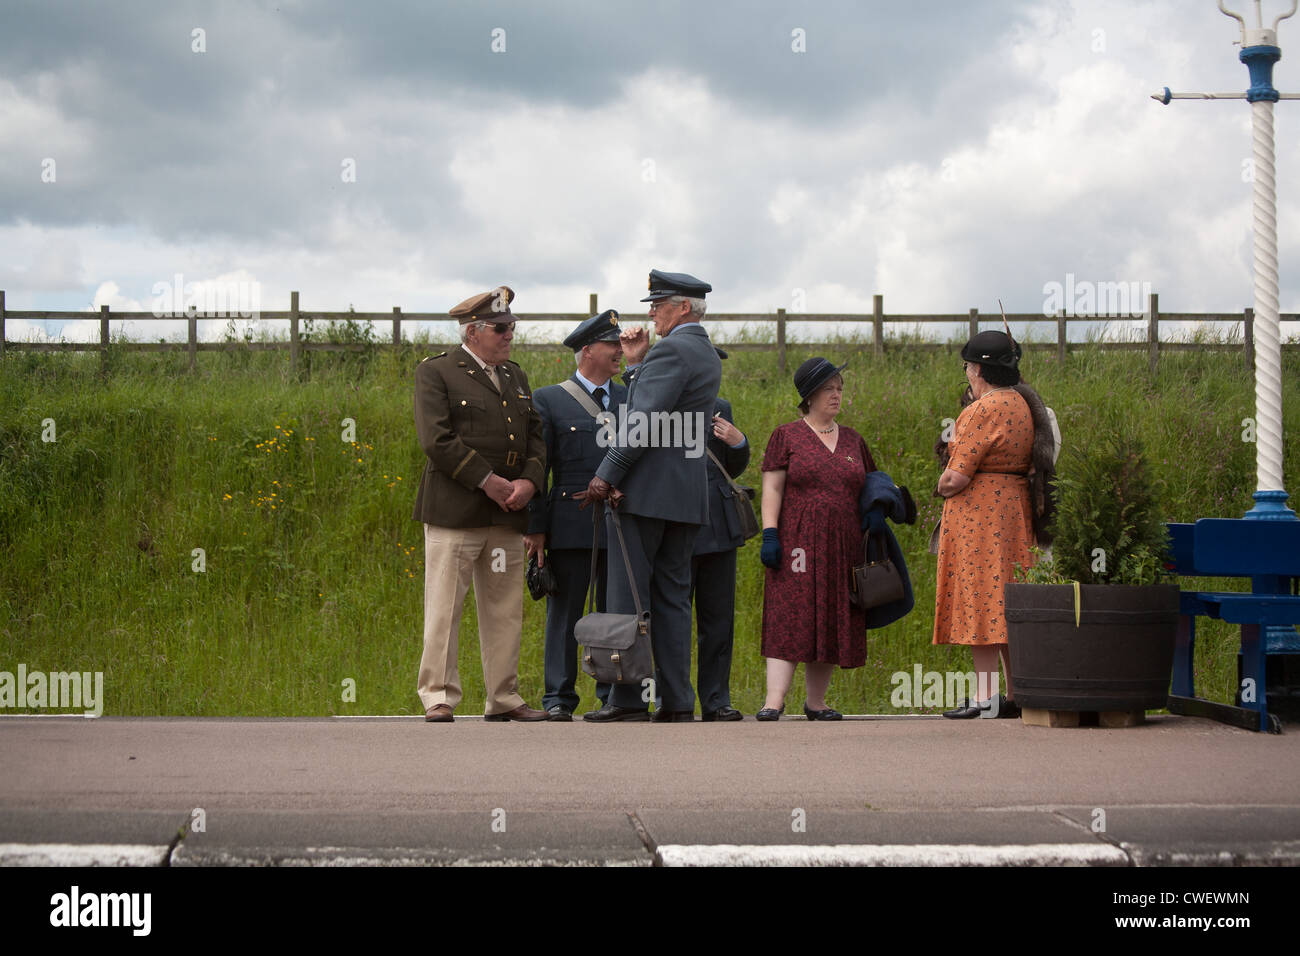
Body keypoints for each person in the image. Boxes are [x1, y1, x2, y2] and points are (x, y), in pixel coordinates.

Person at [580, 269, 722, 723]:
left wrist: (605, 476)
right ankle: (677, 700)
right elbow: (663, 408)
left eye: (659, 306)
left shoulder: (673, 350)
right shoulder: (702, 352)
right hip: (684, 498)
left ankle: (627, 700)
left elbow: (642, 421)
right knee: (673, 601)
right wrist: (639, 363)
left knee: (628, 599)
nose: (652, 315)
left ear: (683, 307)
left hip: (643, 497)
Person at [413, 285, 549, 723]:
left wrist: (529, 481)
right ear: (473, 332)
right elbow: (437, 439)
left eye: (511, 326)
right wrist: (487, 480)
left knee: (505, 610)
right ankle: (438, 695)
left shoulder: (515, 375)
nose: (509, 334)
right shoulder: (438, 372)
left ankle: (504, 697)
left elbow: (535, 436)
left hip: (506, 514)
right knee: (445, 608)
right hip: (456, 512)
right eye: (501, 328)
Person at [932, 329, 1053, 719]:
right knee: (1007, 602)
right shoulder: (1023, 405)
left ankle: (985, 697)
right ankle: (1016, 694)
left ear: (980, 370)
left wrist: (941, 483)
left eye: (968, 366)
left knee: (979, 602)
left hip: (979, 518)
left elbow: (957, 476)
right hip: (1014, 512)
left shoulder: (983, 409)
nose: (967, 373)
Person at [758, 357, 877, 721]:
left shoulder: (854, 439)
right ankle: (773, 701)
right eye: (829, 388)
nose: (836, 395)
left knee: (831, 614)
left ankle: (816, 702)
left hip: (844, 544)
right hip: (796, 542)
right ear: (809, 395)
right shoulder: (787, 435)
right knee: (789, 615)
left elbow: (872, 484)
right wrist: (770, 533)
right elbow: (772, 488)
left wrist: (882, 506)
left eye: (839, 388)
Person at [524, 310, 627, 720]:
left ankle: (613, 696)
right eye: (611, 345)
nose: (619, 352)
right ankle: (558, 698)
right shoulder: (549, 399)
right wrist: (536, 528)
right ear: (588, 351)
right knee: (564, 613)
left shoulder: (628, 398)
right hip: (569, 522)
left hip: (620, 523)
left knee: (613, 614)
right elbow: (537, 467)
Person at [689, 353, 750, 721]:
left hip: (718, 527)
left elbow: (731, 468)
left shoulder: (721, 407)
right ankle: (672, 698)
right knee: (673, 618)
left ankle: (715, 700)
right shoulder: (666, 400)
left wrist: (738, 442)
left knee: (718, 620)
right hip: (676, 524)